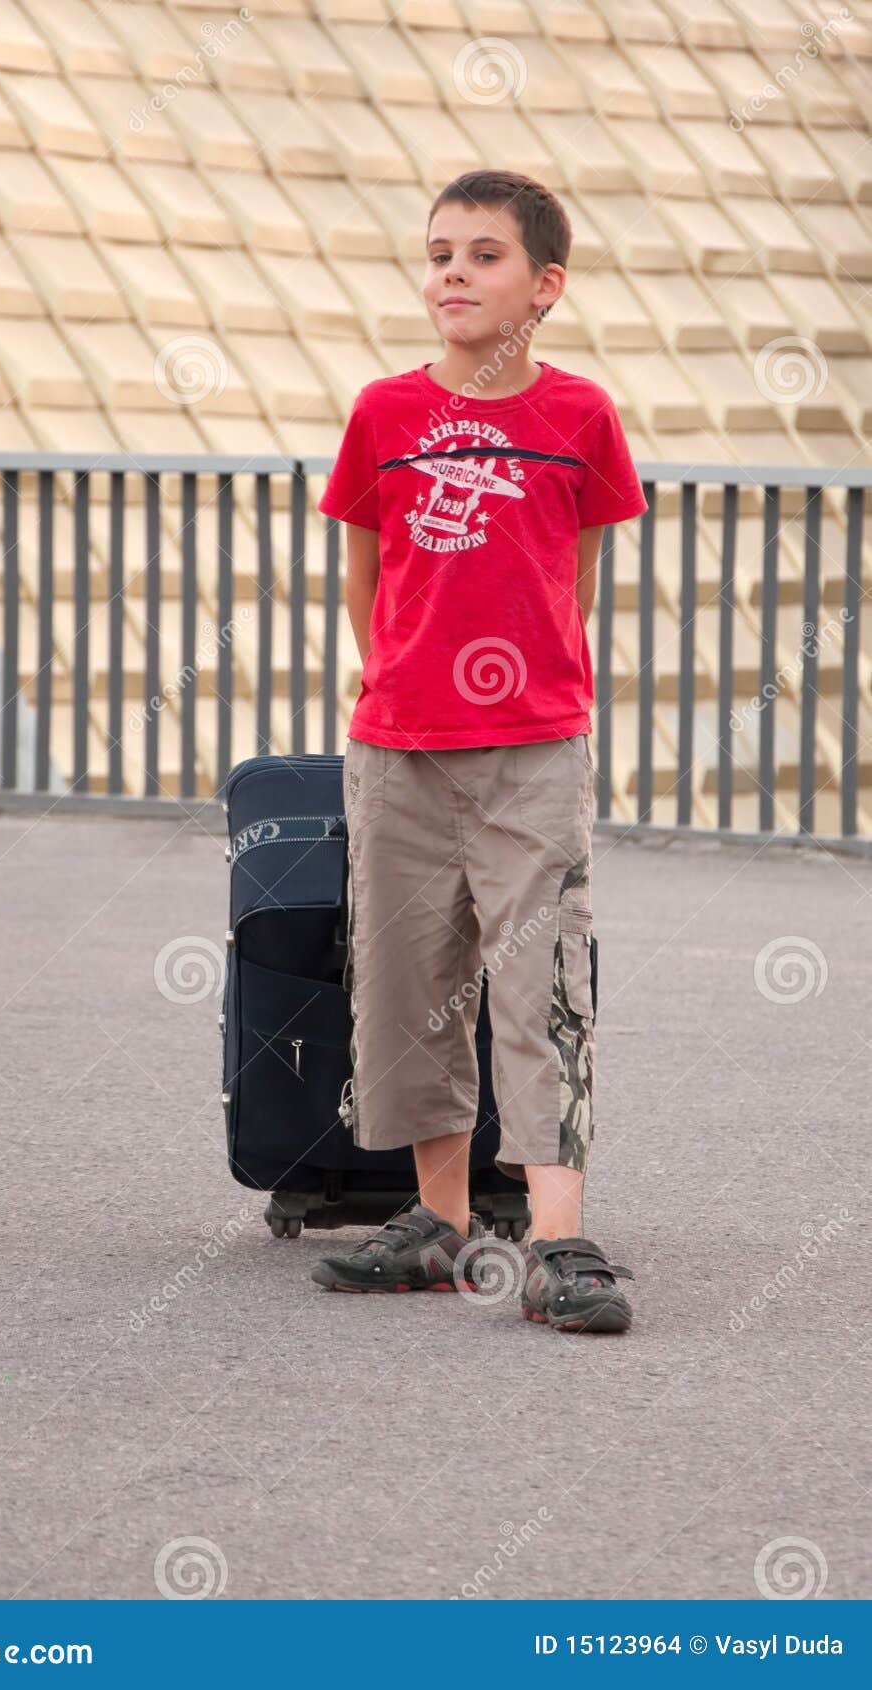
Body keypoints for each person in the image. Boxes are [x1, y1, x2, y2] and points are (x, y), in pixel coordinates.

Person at [309, 169, 645, 1334]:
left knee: (539, 981)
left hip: (532, 751)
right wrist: (401, 675)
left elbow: (577, 574)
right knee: (409, 982)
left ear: (544, 286)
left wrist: (526, 687)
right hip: (397, 748)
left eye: (484, 255)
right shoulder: (382, 414)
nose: (452, 270)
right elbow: (362, 576)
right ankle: (441, 1220)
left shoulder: (581, 417)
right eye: (439, 250)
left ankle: (556, 1240)